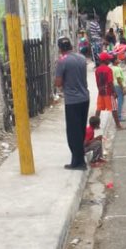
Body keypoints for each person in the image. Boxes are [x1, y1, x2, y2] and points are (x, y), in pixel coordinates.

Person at [54, 38, 91, 170]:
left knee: (73, 132)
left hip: (72, 100)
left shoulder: (62, 61)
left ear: (60, 48)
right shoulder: (81, 58)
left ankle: (79, 162)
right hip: (85, 97)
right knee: (80, 130)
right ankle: (78, 159)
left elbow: (58, 83)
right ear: (71, 46)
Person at [94, 52, 126, 131]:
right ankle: (118, 125)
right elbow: (110, 82)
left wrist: (99, 90)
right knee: (114, 109)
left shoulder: (97, 70)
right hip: (108, 92)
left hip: (101, 92)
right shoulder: (108, 69)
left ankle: (95, 125)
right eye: (108, 59)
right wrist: (114, 92)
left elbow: (97, 82)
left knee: (98, 108)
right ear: (105, 60)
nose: (110, 60)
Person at [111, 54, 126, 122]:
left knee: (118, 100)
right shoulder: (117, 69)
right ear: (115, 61)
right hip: (118, 86)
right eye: (117, 59)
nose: (119, 60)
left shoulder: (112, 68)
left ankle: (118, 114)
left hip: (114, 85)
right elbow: (119, 79)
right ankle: (119, 116)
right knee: (120, 100)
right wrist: (123, 88)